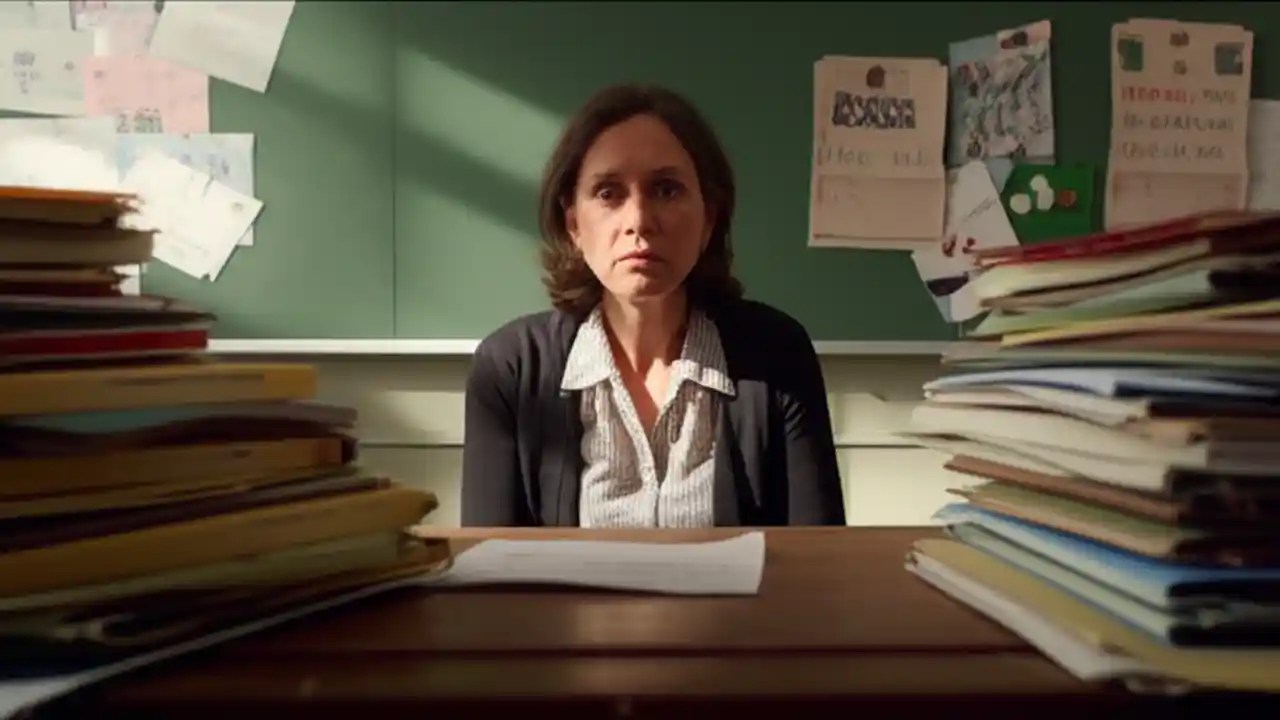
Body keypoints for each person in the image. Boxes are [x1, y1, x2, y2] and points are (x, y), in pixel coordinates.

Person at [460, 83, 845, 527]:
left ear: (708, 219)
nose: (639, 221)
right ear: (573, 225)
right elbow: (491, 579)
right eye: (608, 193)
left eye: (666, 190)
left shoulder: (778, 355)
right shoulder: (509, 369)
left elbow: (817, 567)